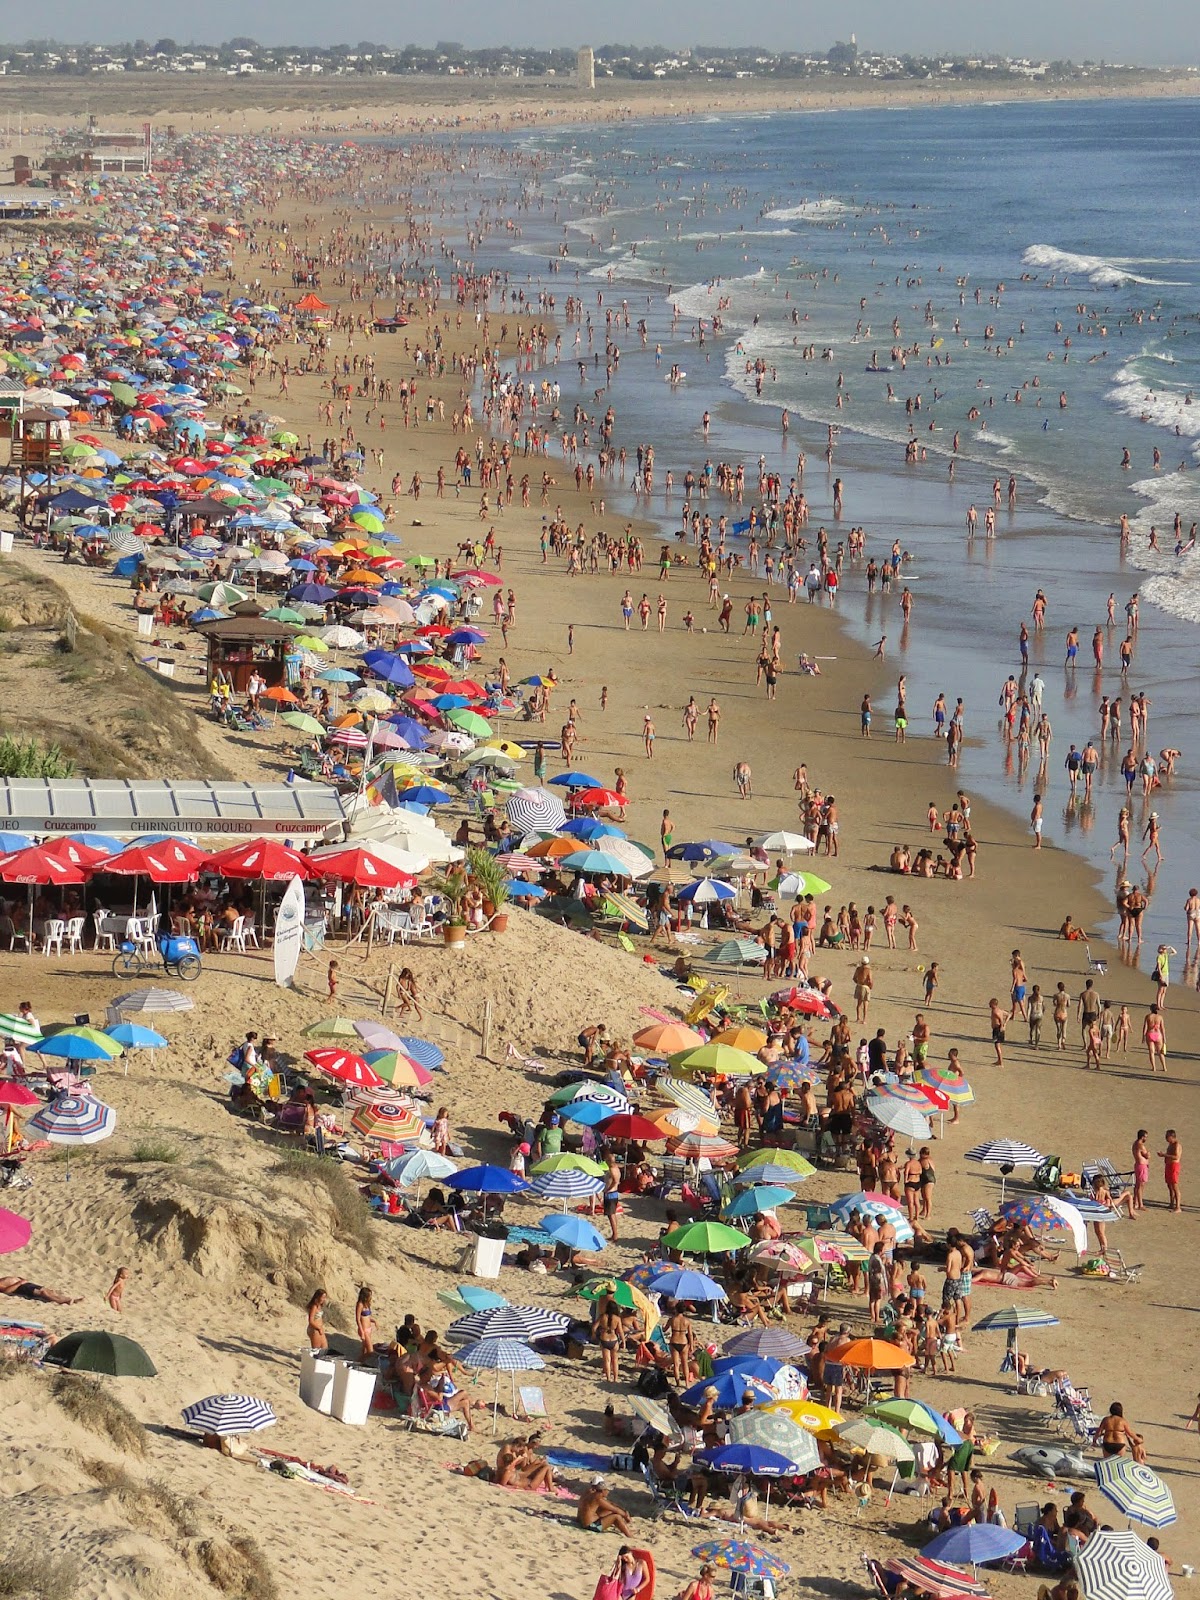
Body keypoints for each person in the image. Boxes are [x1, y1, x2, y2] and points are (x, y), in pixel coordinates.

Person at [0, 1277, 81, 1304]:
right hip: (22, 1288)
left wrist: (21, 1279)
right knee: (43, 1293)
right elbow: (6, 1291)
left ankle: (69, 1299)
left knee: (49, 1292)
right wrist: (19, 1283)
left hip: (26, 1285)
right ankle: (63, 1301)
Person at [1159, 1129, 1182, 1212]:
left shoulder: (1176, 1145)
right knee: (1169, 1185)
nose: (1166, 1138)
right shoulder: (1170, 1145)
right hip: (1168, 1166)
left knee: (1175, 1186)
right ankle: (1172, 1203)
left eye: (1167, 1136)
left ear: (1172, 1136)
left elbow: (1176, 1156)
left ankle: (1178, 1207)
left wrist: (1164, 1155)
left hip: (1174, 1166)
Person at [355, 1285, 377, 1361]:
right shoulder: (360, 1304)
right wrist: (361, 1331)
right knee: (370, 1351)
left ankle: (360, 1362)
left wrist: (373, 1321)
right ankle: (358, 1361)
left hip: (369, 1328)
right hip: (364, 1329)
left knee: (364, 1350)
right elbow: (358, 1319)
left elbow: (366, 1317)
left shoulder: (367, 1304)